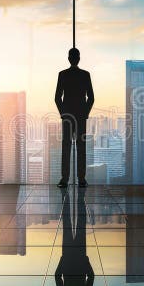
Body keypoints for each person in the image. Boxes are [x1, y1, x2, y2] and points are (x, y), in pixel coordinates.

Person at [54, 186, 94, 286]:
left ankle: (79, 196)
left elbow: (91, 277)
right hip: (69, 258)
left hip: (79, 257)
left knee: (80, 224)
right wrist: (62, 260)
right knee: (67, 223)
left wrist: (86, 261)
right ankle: (68, 196)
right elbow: (58, 277)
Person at [54, 47, 94, 188]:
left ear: (68, 58)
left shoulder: (62, 74)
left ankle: (64, 179)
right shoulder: (85, 75)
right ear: (79, 58)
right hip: (80, 117)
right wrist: (85, 113)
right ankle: (81, 179)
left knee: (66, 147)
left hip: (67, 117)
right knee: (81, 147)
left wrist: (63, 113)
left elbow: (57, 98)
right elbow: (91, 98)